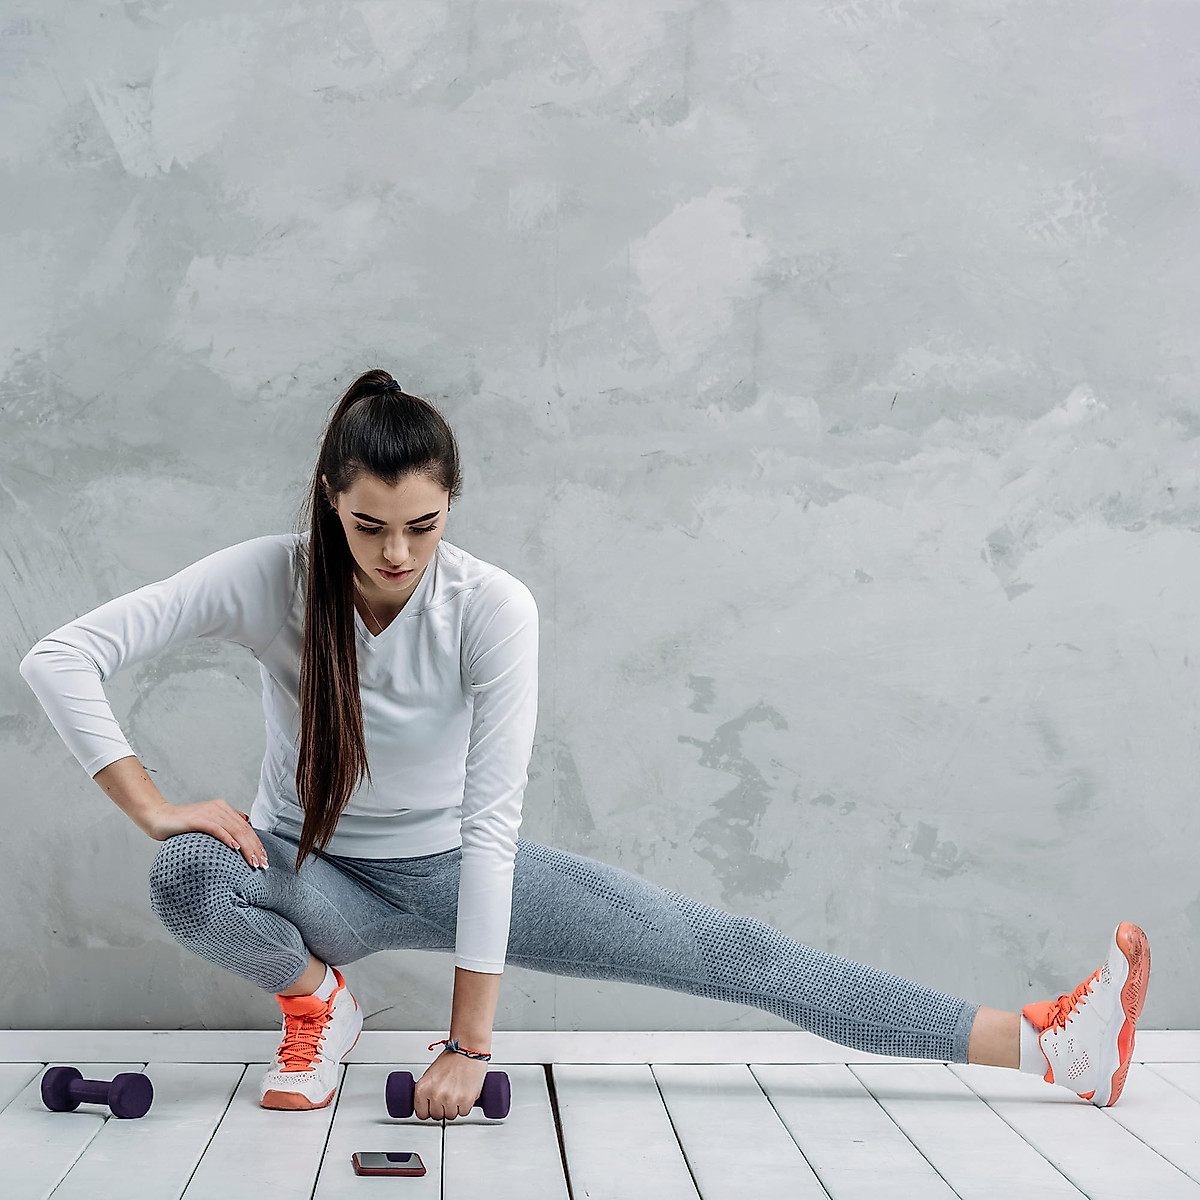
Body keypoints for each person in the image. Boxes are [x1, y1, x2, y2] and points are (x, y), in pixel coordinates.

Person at [19, 368, 1151, 1121]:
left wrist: (470, 1044)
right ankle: (322, 1003)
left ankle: (1048, 1045)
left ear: (453, 505)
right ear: (329, 500)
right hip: (314, 876)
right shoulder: (273, 576)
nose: (396, 554)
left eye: (423, 525)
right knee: (184, 874)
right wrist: (155, 804)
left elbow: (491, 825)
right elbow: (60, 656)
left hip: (457, 866)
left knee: (731, 951)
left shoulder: (491, 607)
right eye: (368, 526)